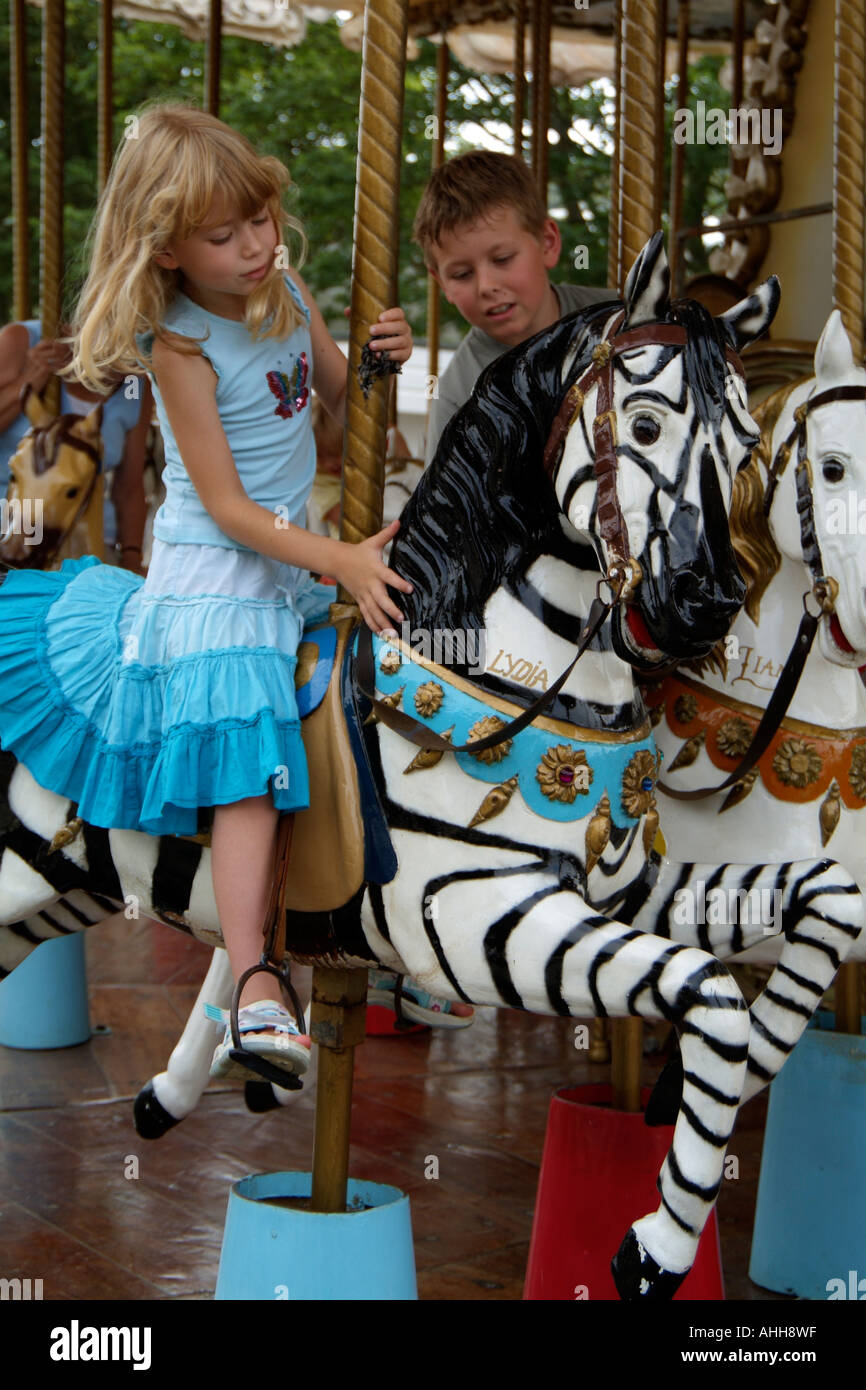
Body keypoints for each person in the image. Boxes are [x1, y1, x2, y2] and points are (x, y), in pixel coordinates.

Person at [0, 103, 463, 1084]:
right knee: (253, 748)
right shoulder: (178, 348)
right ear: (166, 249)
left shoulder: (285, 286)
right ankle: (255, 977)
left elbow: (342, 397)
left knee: (399, 688)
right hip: (218, 574)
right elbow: (223, 505)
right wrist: (336, 558)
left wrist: (381, 362)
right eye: (225, 234)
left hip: (294, 562)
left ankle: (400, 936)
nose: (255, 246)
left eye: (259, 220)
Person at [413, 150, 612, 463]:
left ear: (547, 243)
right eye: (462, 274)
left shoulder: (622, 320)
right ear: (441, 283)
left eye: (502, 259)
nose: (486, 286)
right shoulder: (456, 398)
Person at [0, 321, 152, 570]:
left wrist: (132, 558)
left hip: (90, 544)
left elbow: (130, 485)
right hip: (13, 532)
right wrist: (25, 382)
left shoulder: (134, 386)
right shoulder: (21, 343)